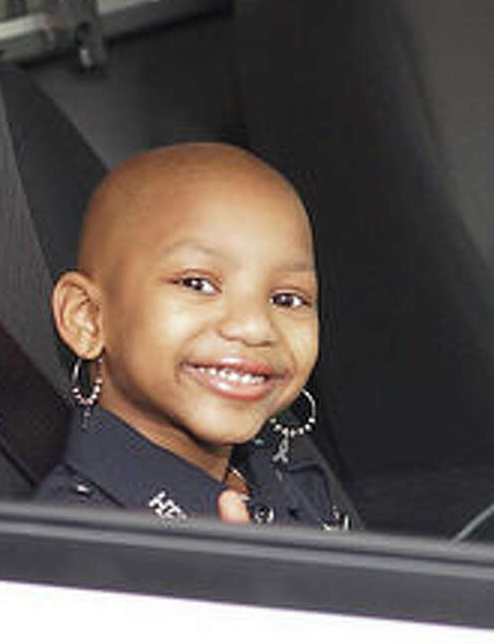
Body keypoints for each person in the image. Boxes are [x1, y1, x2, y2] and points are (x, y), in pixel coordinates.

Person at [35, 141, 348, 529]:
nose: (255, 327)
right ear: (88, 318)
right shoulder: (83, 540)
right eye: (197, 284)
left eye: (287, 299)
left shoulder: (294, 486)